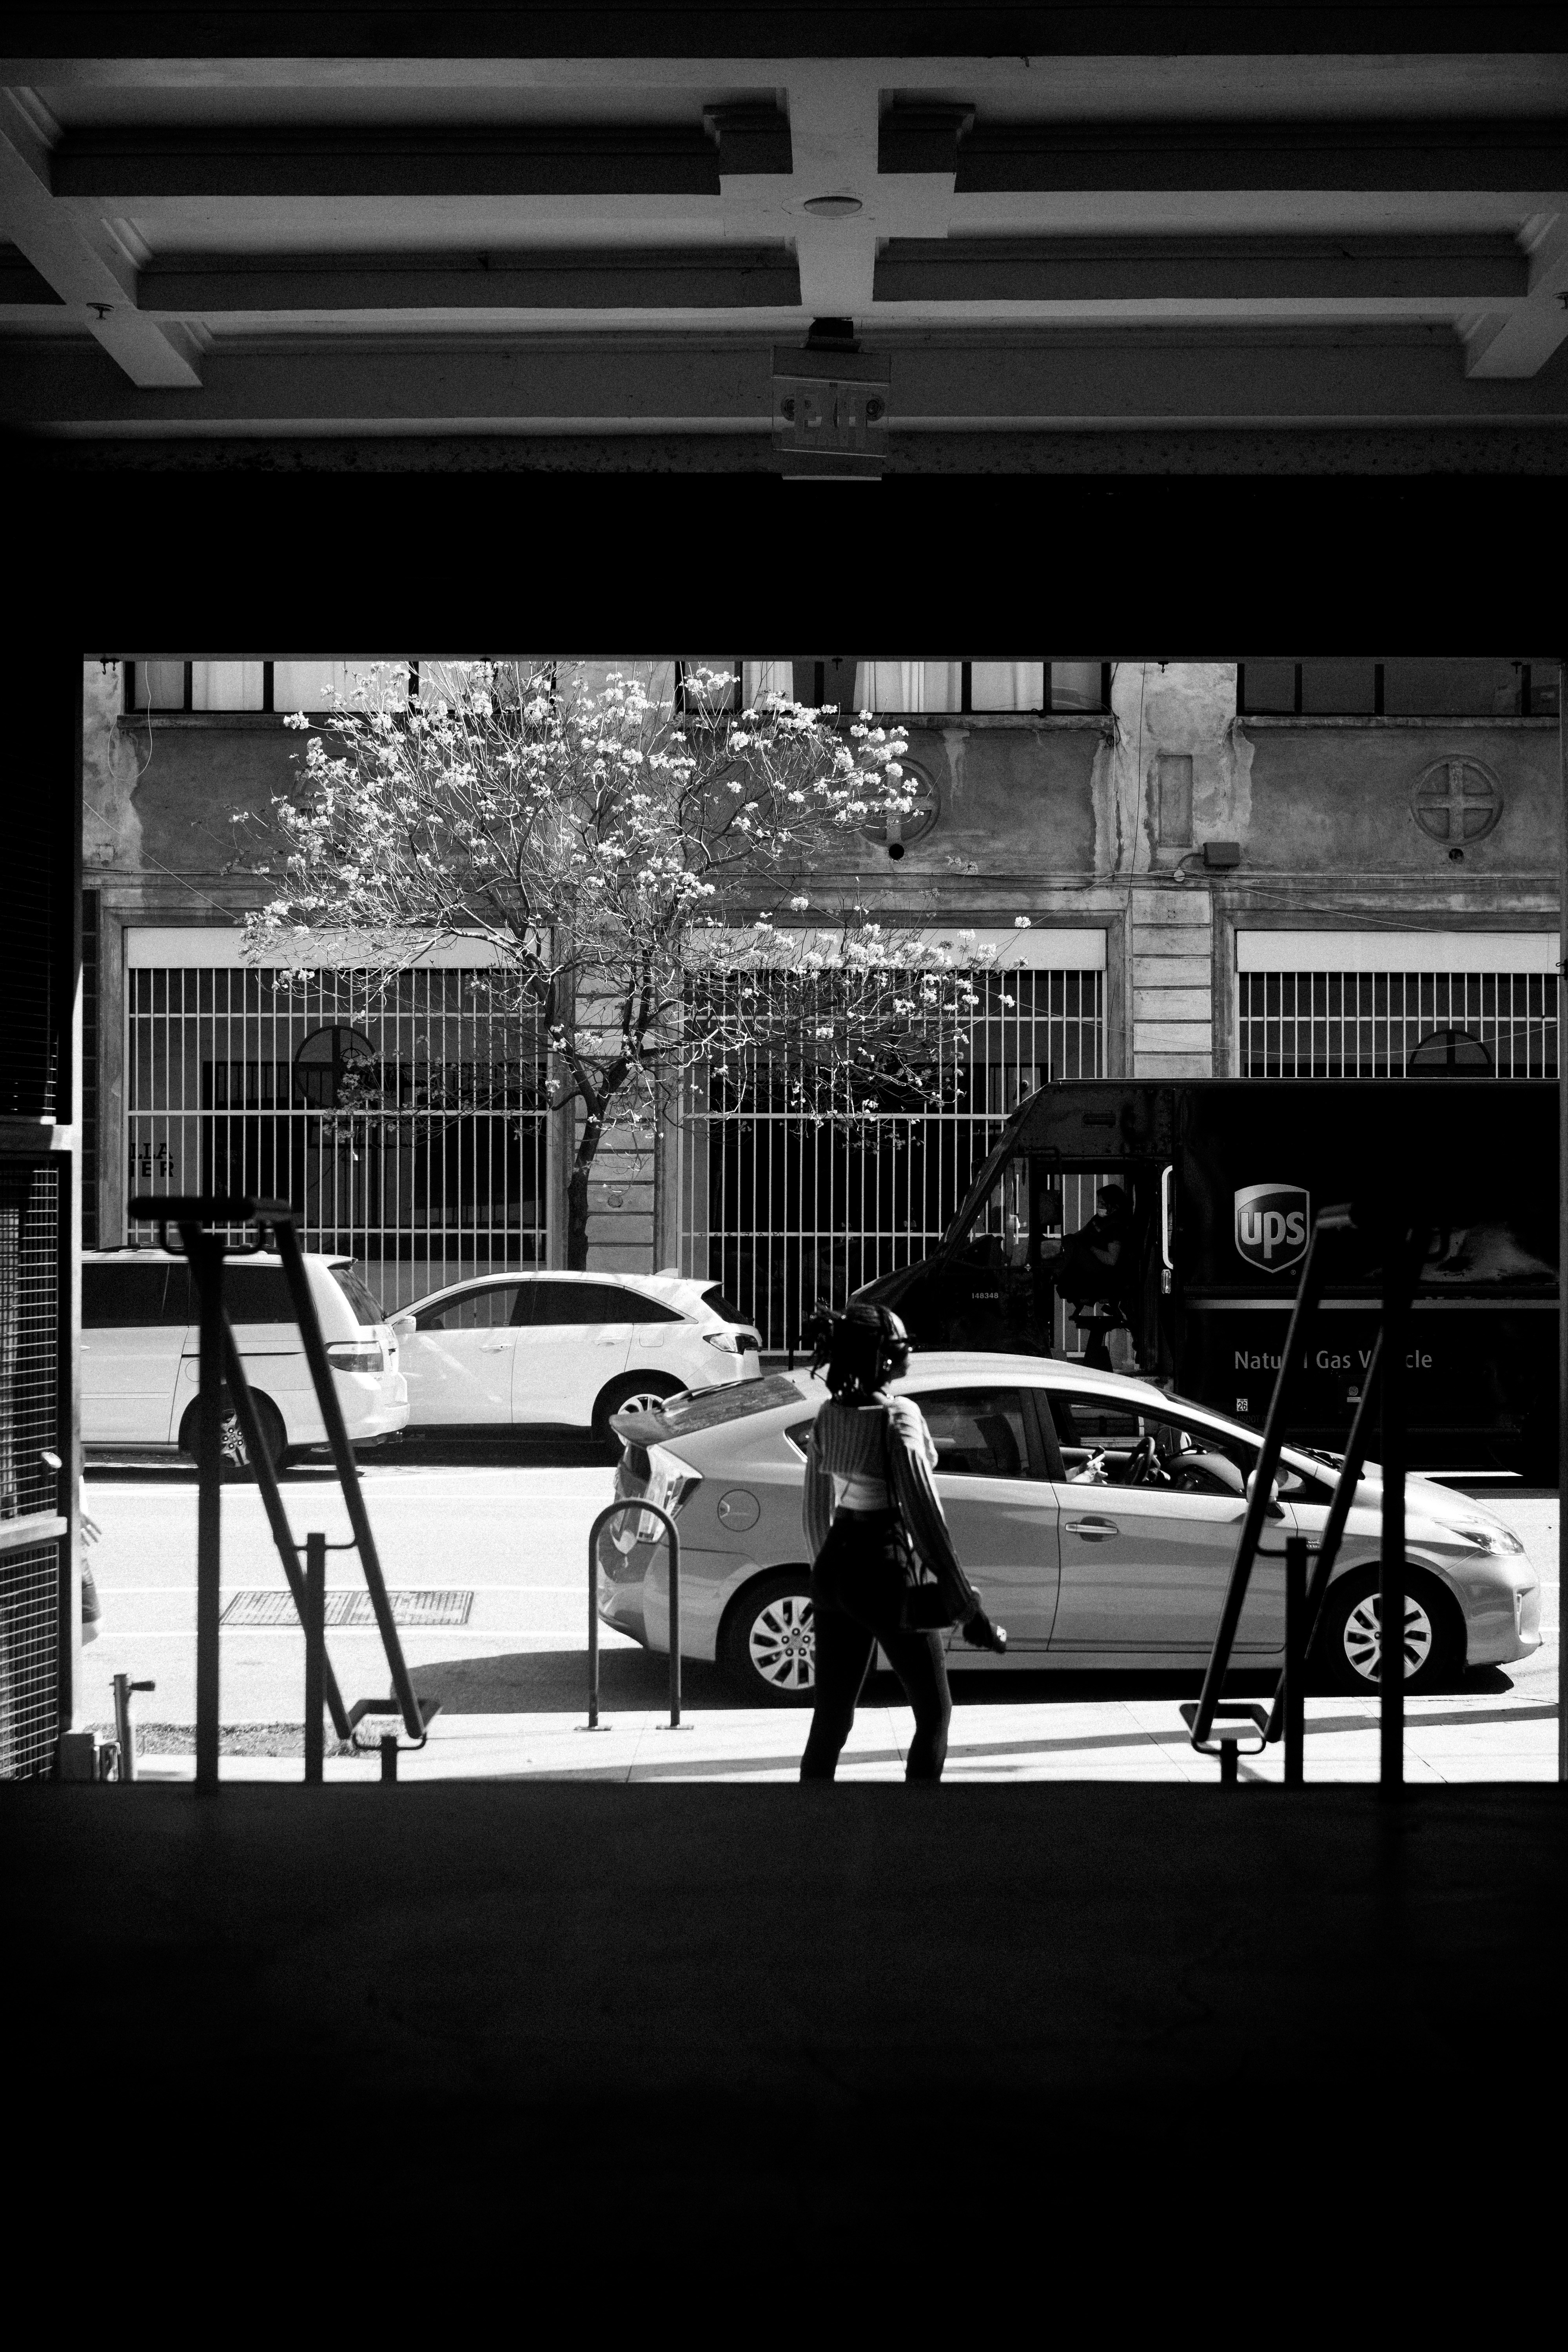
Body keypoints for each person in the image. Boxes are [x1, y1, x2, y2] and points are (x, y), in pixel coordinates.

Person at [799, 1303, 1006, 1784]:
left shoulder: (828, 1414)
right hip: (883, 1563)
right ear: (885, 1357)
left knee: (831, 1716)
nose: (908, 1350)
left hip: (834, 1565)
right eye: (900, 1344)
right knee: (934, 1713)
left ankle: (806, 1821)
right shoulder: (898, 1416)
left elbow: (813, 1508)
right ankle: (914, 1822)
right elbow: (925, 1514)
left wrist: (823, 1578)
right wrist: (965, 1603)